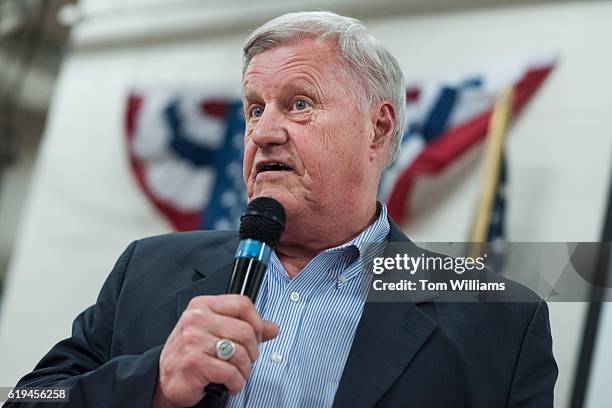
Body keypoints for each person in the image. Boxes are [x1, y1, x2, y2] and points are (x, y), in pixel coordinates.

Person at [7, 11, 557, 408]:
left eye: (299, 103)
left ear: (379, 127)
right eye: (253, 108)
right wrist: (149, 382)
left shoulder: (500, 321)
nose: (263, 133)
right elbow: (31, 397)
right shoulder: (146, 271)